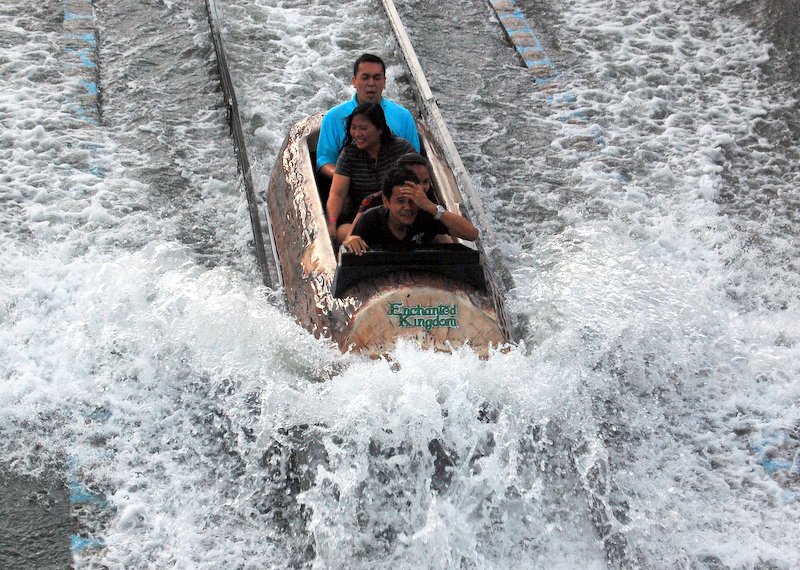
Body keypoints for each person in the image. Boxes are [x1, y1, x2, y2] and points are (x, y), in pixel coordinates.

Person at [316, 53, 420, 179]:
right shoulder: (334, 117)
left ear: (384, 81)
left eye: (377, 78)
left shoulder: (403, 116)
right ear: (354, 81)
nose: (371, 83)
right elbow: (324, 160)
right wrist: (345, 179)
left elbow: (413, 160)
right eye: (365, 77)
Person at [326, 103, 416, 243]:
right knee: (342, 232)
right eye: (353, 128)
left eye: (363, 129)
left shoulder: (401, 149)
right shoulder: (349, 154)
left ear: (379, 129)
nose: (357, 134)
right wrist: (331, 223)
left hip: (400, 214)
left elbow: (420, 182)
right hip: (361, 220)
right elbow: (337, 193)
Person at [342, 165, 479, 255]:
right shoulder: (370, 220)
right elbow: (349, 247)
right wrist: (351, 242)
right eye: (400, 201)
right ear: (386, 202)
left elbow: (471, 234)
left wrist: (430, 206)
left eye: (412, 201)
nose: (408, 208)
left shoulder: (425, 216)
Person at [348, 152, 434, 236]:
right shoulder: (373, 202)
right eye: (415, 181)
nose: (421, 188)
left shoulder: (429, 201)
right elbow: (351, 237)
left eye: (425, 182)